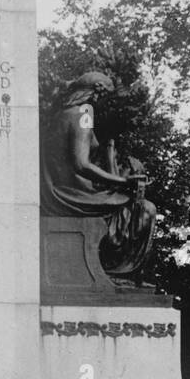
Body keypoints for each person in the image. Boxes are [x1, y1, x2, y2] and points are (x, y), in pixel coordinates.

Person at [40, 71, 156, 280]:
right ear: (95, 94)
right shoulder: (83, 116)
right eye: (105, 98)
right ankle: (115, 270)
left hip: (60, 192)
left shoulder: (60, 116)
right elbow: (81, 164)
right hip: (71, 196)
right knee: (145, 209)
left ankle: (108, 272)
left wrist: (109, 150)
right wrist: (123, 181)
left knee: (132, 205)